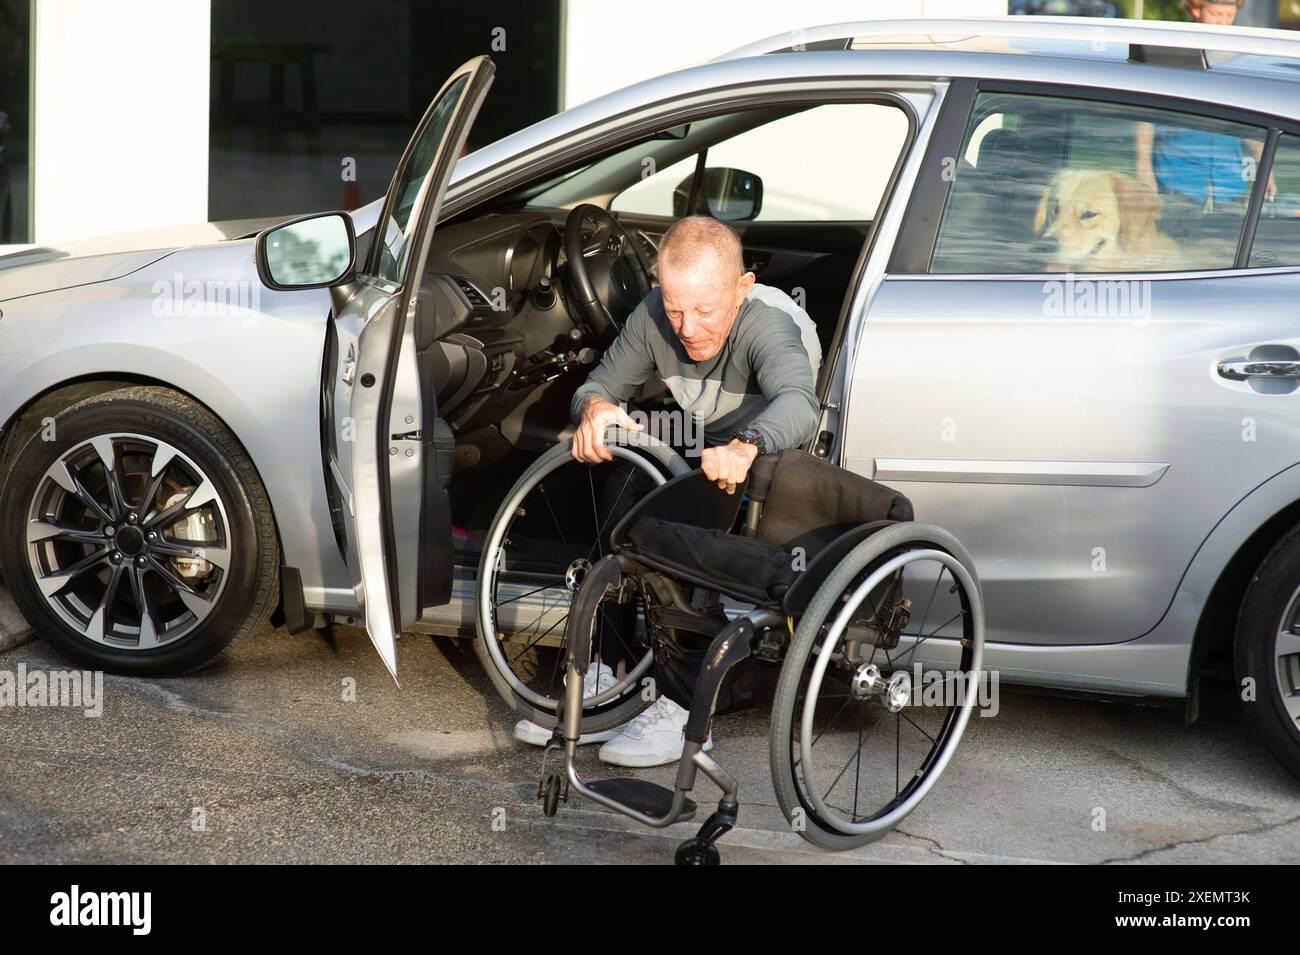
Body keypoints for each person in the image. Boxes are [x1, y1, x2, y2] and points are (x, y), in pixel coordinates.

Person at [513, 215, 821, 767]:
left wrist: (747, 444)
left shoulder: (766, 324)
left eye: (705, 310)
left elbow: (799, 403)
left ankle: (682, 708)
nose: (688, 326)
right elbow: (600, 385)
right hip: (701, 437)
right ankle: (608, 672)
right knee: (625, 469)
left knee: (696, 521)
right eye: (676, 308)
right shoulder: (656, 314)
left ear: (742, 288)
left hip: (767, 445)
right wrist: (597, 410)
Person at [1135, 0, 1275, 240]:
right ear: (1196, 10)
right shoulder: (1172, 52)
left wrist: (1266, 170)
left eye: (1229, 16)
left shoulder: (1239, 60)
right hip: (1178, 183)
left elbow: (1249, 125)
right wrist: (1143, 167)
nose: (1223, 22)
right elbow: (1147, 115)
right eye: (1216, 14)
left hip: (1229, 186)